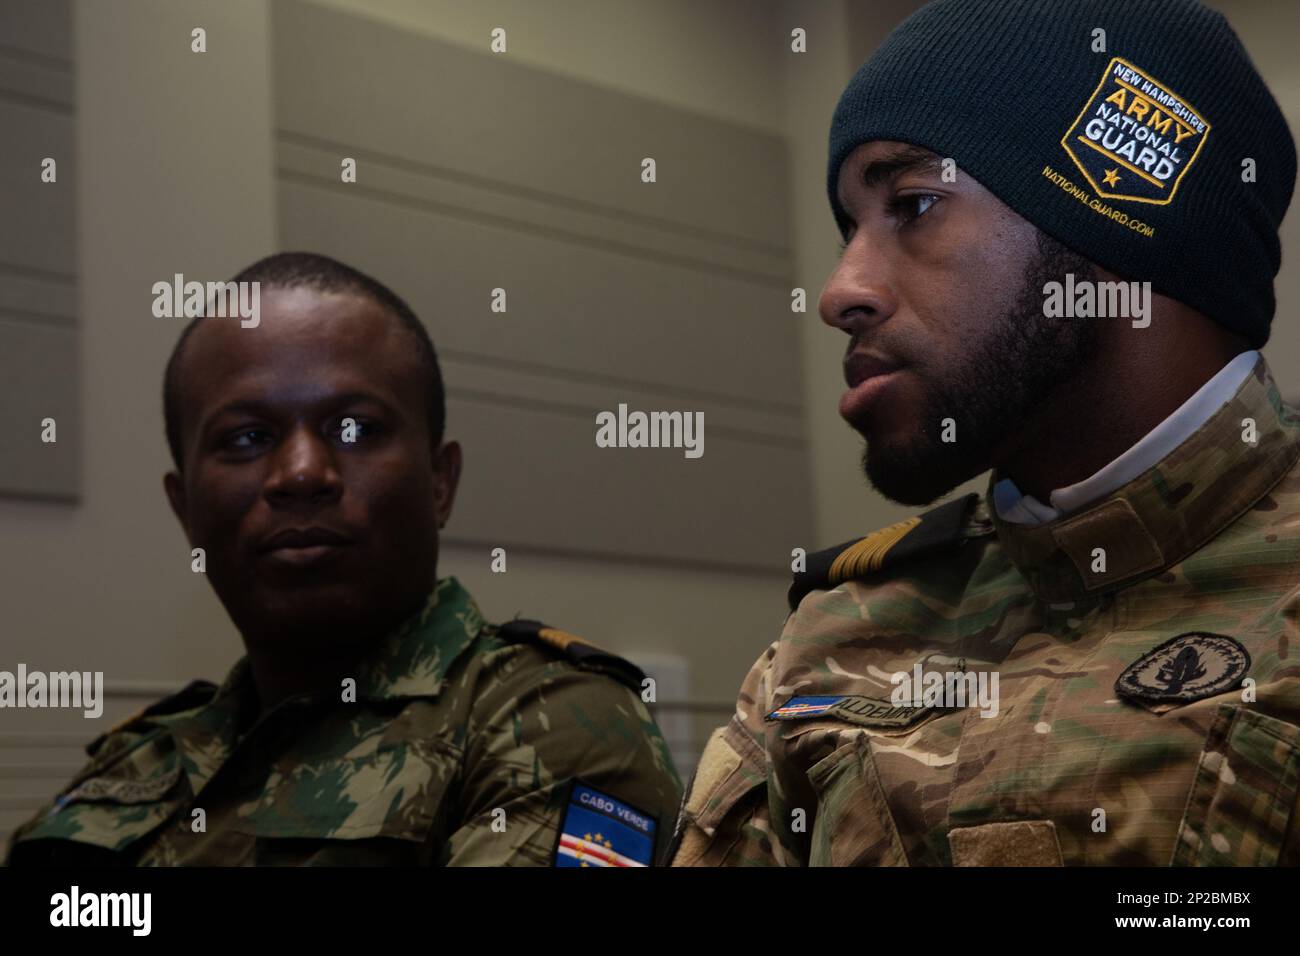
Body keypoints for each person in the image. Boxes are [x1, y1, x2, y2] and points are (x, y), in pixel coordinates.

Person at [670, 0, 1299, 866]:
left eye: (915, 204)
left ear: (1120, 209)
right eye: (850, 226)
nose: (839, 290)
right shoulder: (835, 634)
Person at [6, 252, 681, 867]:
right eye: (246, 437)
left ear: (439, 481)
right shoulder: (136, 762)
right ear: (185, 509)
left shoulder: (553, 725)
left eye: (353, 428)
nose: (301, 473)